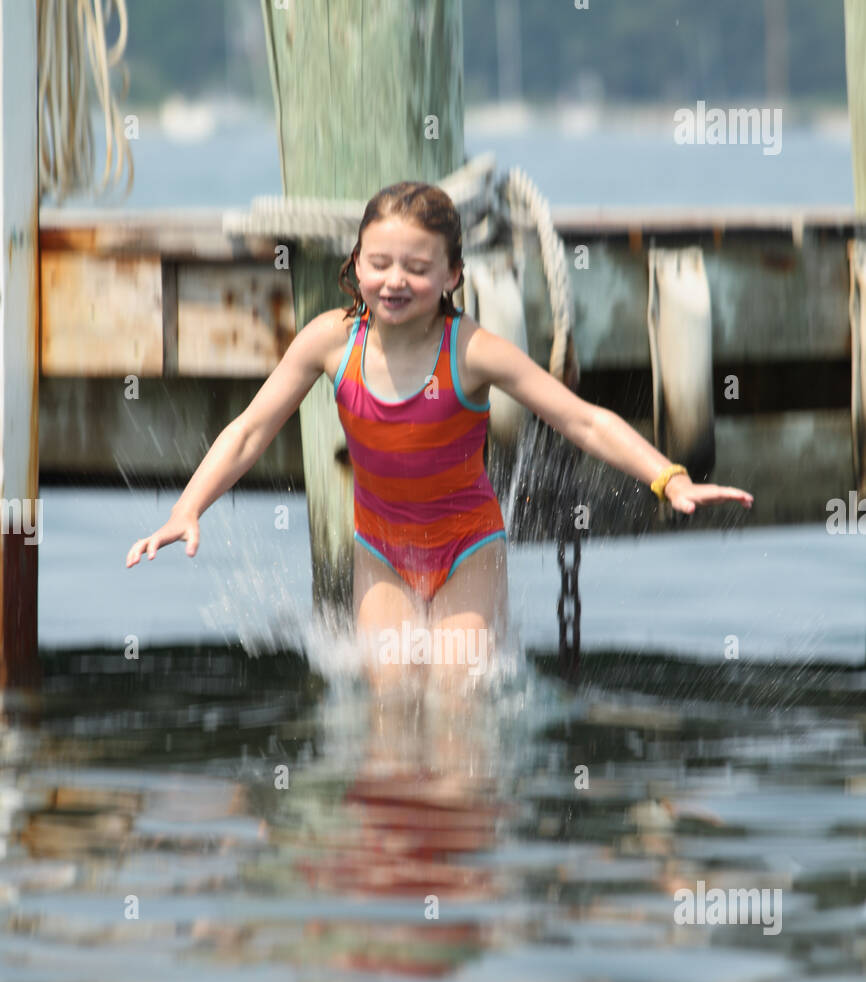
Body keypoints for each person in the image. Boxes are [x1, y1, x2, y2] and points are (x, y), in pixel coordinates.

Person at [126, 181, 753, 695]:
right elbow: (249, 432)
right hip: (381, 552)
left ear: (453, 274)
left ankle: (461, 836)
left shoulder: (474, 352)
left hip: (466, 549)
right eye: (379, 263)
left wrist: (667, 477)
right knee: (391, 700)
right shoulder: (329, 341)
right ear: (356, 265)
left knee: (457, 698)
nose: (395, 279)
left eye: (417, 267)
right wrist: (188, 507)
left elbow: (580, 418)